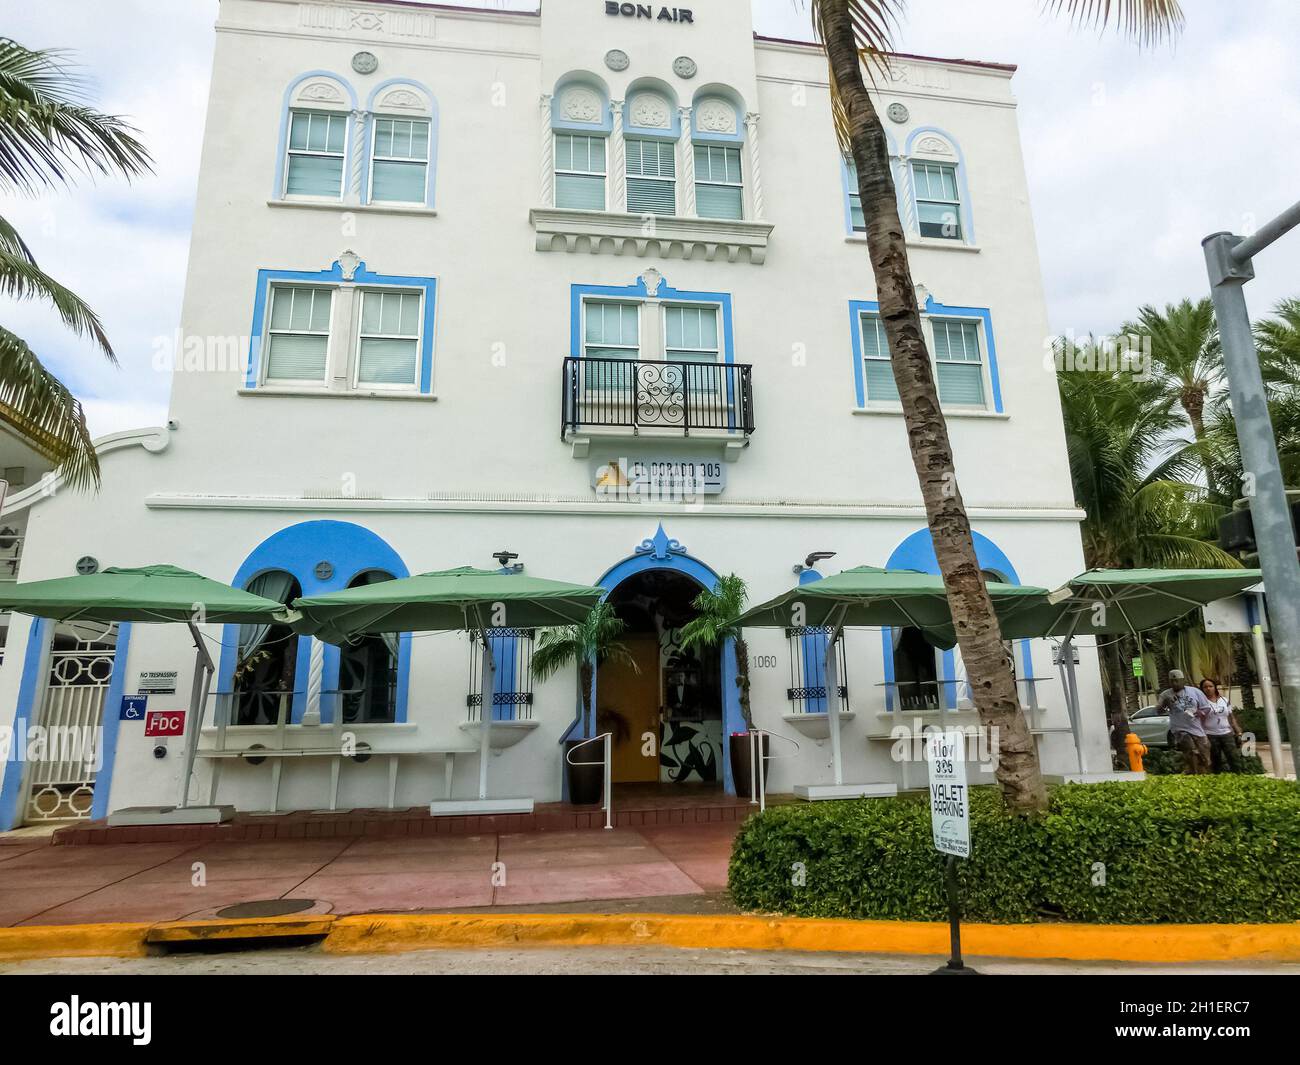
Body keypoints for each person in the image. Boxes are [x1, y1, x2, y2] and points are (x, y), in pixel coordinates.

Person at [1156, 669, 1212, 774]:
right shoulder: (1165, 695)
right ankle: (1194, 773)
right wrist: (1165, 704)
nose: (1175, 683)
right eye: (1172, 681)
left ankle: (1204, 773)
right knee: (1190, 749)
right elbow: (1158, 711)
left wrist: (1197, 713)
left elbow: (1206, 708)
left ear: (1183, 680)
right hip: (1179, 728)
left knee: (1205, 753)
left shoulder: (1195, 691)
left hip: (1196, 728)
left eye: (1177, 680)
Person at [1199, 677, 1244, 773]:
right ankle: (1218, 780)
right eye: (1205, 687)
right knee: (1216, 761)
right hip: (1210, 735)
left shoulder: (1224, 700)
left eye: (1210, 686)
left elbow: (1231, 718)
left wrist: (1238, 732)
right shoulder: (1201, 703)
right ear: (1202, 689)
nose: (1208, 688)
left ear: (1215, 687)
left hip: (1227, 734)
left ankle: (1238, 777)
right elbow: (1199, 720)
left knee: (1234, 758)